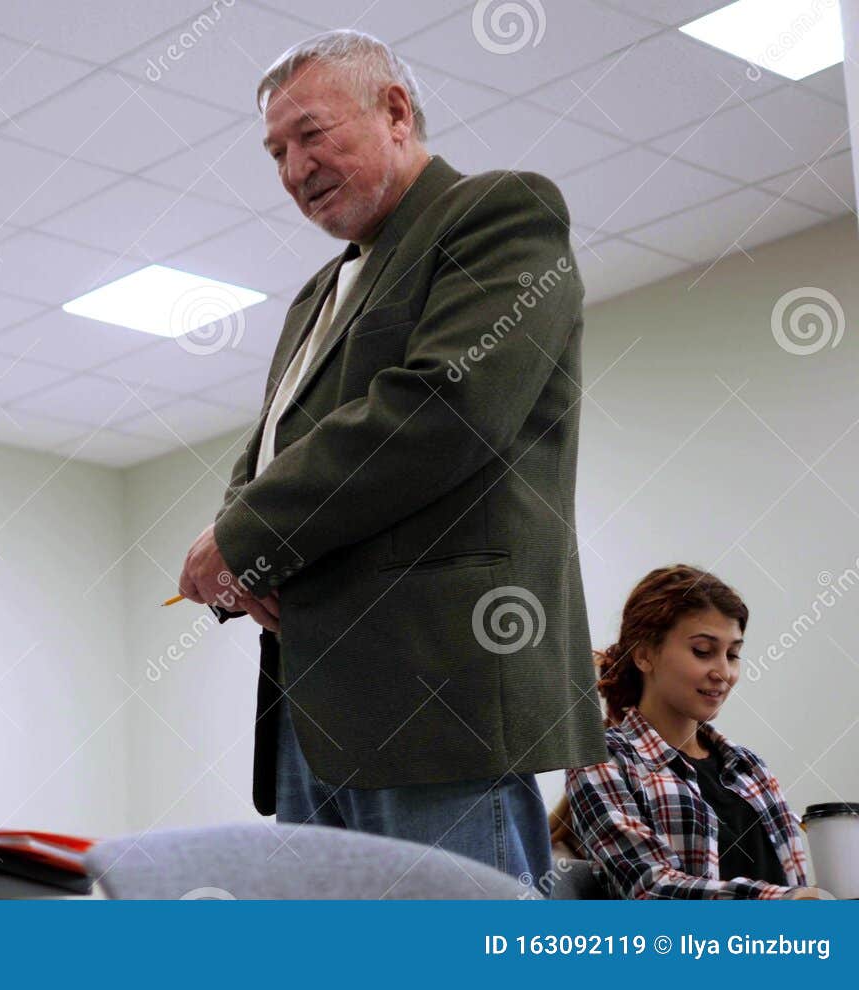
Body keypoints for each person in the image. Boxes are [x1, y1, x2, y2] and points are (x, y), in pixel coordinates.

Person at [175, 28, 603, 887]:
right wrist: (239, 540)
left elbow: (447, 404)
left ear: (396, 112)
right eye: (276, 152)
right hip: (312, 706)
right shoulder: (313, 297)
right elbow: (272, 445)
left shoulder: (499, 213)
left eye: (311, 134)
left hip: (438, 700)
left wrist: (249, 532)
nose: (294, 168)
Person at [562, 566, 826, 899]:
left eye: (732, 654)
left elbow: (798, 888)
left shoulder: (751, 769)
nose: (723, 672)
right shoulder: (603, 761)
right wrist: (780, 903)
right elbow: (650, 889)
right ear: (644, 654)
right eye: (702, 651)